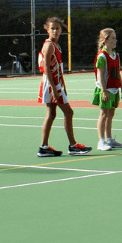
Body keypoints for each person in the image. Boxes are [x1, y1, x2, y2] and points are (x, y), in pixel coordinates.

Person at [36, 16, 91, 158]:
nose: (55, 31)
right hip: (51, 83)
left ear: (61, 30)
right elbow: (47, 68)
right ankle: (73, 146)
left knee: (51, 114)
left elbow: (58, 69)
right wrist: (55, 88)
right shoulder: (49, 45)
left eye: (57, 28)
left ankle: (44, 147)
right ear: (47, 29)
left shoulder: (55, 45)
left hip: (55, 83)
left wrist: (62, 86)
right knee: (68, 112)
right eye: (52, 28)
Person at [91, 27, 122, 151]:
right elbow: (100, 75)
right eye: (113, 38)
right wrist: (104, 91)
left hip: (114, 89)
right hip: (105, 90)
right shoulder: (102, 56)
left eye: (115, 38)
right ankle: (101, 141)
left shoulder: (116, 55)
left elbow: (118, 72)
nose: (115, 40)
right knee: (103, 114)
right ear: (106, 40)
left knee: (111, 114)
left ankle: (109, 139)